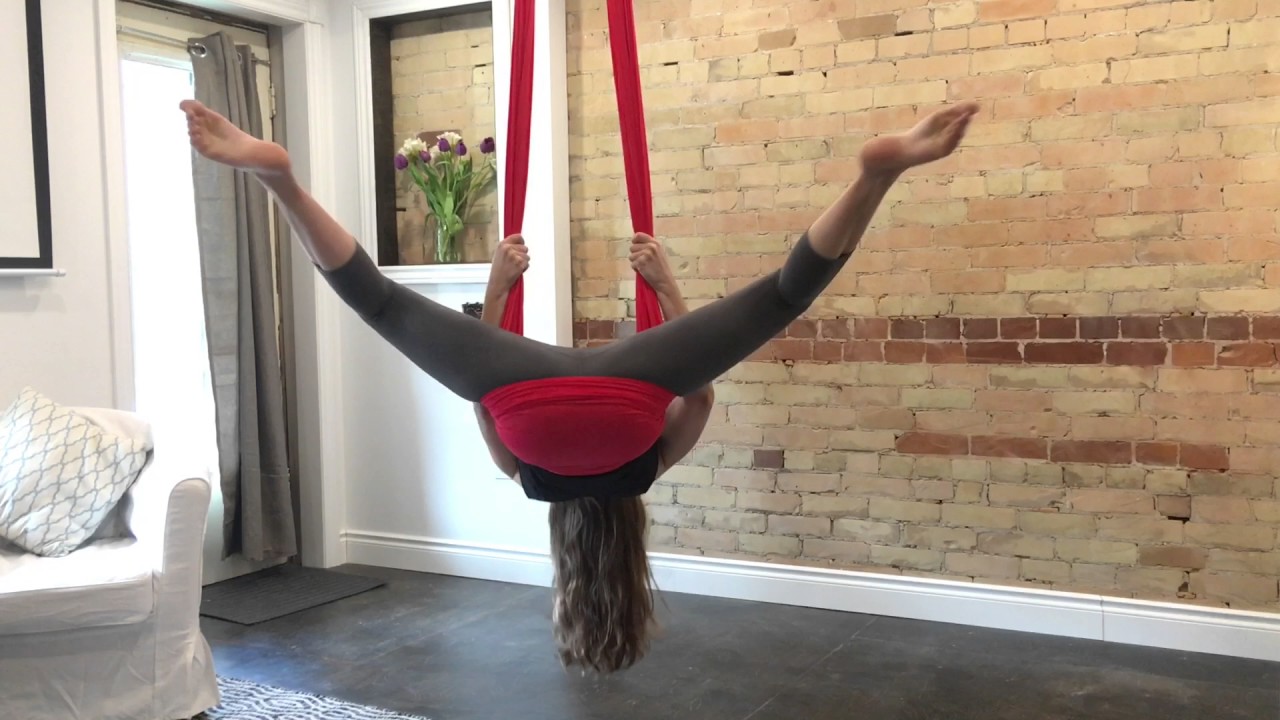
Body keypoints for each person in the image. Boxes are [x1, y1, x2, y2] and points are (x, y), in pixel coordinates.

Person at [179, 98, 978, 673]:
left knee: (781, 297)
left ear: (632, 556)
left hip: (637, 382)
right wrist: (494, 297)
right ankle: (280, 182)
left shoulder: (642, 474)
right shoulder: (528, 482)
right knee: (378, 302)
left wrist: (667, 295)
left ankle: (876, 177)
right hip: (522, 390)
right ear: (567, 560)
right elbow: (482, 393)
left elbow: (697, 392)